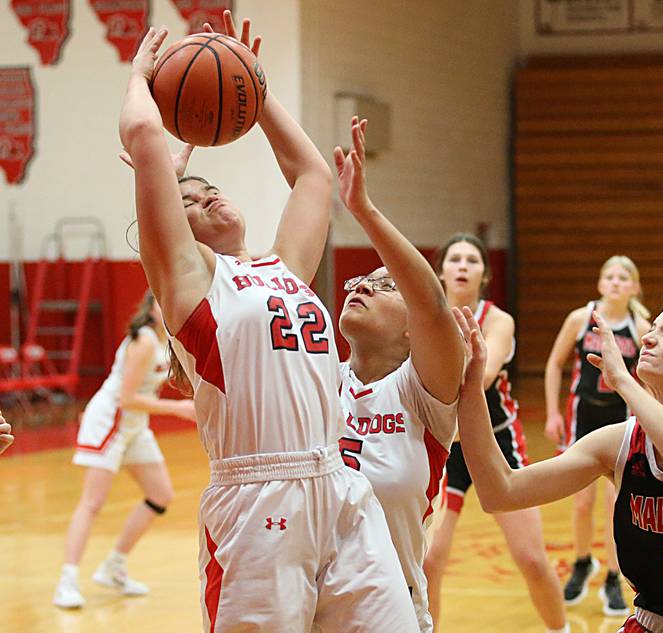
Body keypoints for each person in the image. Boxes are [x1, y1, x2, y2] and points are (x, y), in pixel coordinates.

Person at [119, 13, 418, 631]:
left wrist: (254, 89)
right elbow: (145, 137)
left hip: (340, 486)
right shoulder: (192, 288)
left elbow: (314, 176)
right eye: (190, 201)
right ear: (175, 230)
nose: (210, 198)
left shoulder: (285, 270)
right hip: (257, 503)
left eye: (211, 190)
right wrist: (139, 82)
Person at [454, 297, 663, 632]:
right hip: (654, 625)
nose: (649, 338)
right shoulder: (616, 444)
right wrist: (471, 385)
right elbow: (501, 492)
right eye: (652, 328)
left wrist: (623, 382)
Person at [334, 120, 464, 632]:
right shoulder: (318, 379)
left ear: (416, 331)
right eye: (359, 281)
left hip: (389, 606)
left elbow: (432, 303)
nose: (362, 287)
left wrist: (362, 210)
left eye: (384, 286)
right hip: (306, 601)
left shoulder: (421, 393)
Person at [423, 234, 568, 633]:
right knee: (430, 560)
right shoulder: (424, 317)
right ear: (441, 271)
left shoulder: (498, 320)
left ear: (485, 274)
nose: (464, 266)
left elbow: (482, 376)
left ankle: (561, 629)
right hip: (445, 444)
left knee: (532, 559)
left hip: (495, 442)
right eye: (455, 259)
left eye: (473, 260)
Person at [53, 291, 195, 609]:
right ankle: (67, 580)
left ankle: (114, 566)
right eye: (161, 301)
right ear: (150, 306)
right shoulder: (143, 342)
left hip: (134, 425)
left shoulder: (167, 339)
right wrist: (178, 409)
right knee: (92, 502)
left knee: (160, 494)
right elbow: (127, 398)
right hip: (111, 421)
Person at [543, 255, 650, 615]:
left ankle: (613, 576)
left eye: (624, 277)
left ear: (634, 287)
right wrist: (553, 412)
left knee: (615, 504)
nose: (616, 282)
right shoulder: (580, 318)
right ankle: (582, 560)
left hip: (620, 423)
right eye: (610, 276)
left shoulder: (640, 325)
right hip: (582, 420)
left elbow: (651, 376)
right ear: (601, 284)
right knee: (582, 502)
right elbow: (555, 364)